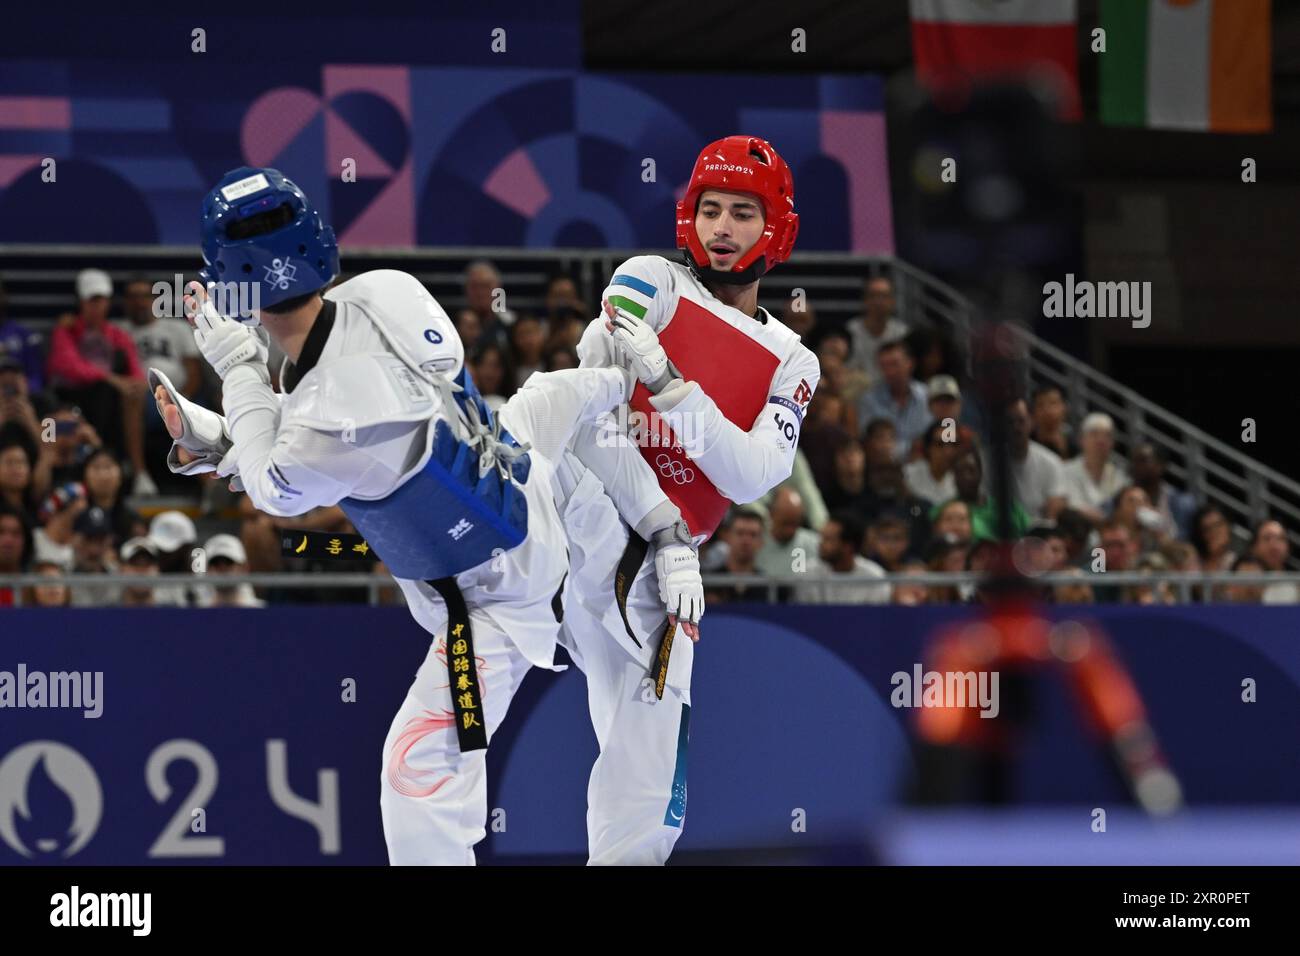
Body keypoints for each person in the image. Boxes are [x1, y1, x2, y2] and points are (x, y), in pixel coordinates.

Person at [159, 167, 701, 867]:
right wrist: (229, 435)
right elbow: (337, 423)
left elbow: (279, 481)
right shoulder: (388, 289)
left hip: (498, 592)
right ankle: (631, 381)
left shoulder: (318, 431)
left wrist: (235, 365)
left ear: (232, 285)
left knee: (416, 776)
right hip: (524, 471)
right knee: (558, 396)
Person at [570, 135, 818, 861]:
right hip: (579, 515)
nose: (722, 227)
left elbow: (750, 475)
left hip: (655, 574)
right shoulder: (651, 279)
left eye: (743, 212)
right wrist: (668, 528)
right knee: (462, 699)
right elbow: (595, 399)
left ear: (775, 227)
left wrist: (674, 388)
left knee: (655, 799)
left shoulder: (793, 360)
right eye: (710, 208)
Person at [47, 269, 155, 494]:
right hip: (71, 399)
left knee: (131, 395)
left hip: (109, 402)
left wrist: (136, 385)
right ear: (82, 302)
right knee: (103, 391)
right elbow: (69, 367)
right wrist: (111, 378)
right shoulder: (66, 330)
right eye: (92, 300)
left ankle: (137, 472)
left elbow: (135, 372)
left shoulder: (117, 335)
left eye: (102, 300)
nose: (97, 306)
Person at [799, 511, 889, 604]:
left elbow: (876, 617)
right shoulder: (808, 574)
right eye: (822, 537)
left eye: (828, 539)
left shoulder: (875, 578)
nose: (820, 544)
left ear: (848, 546)